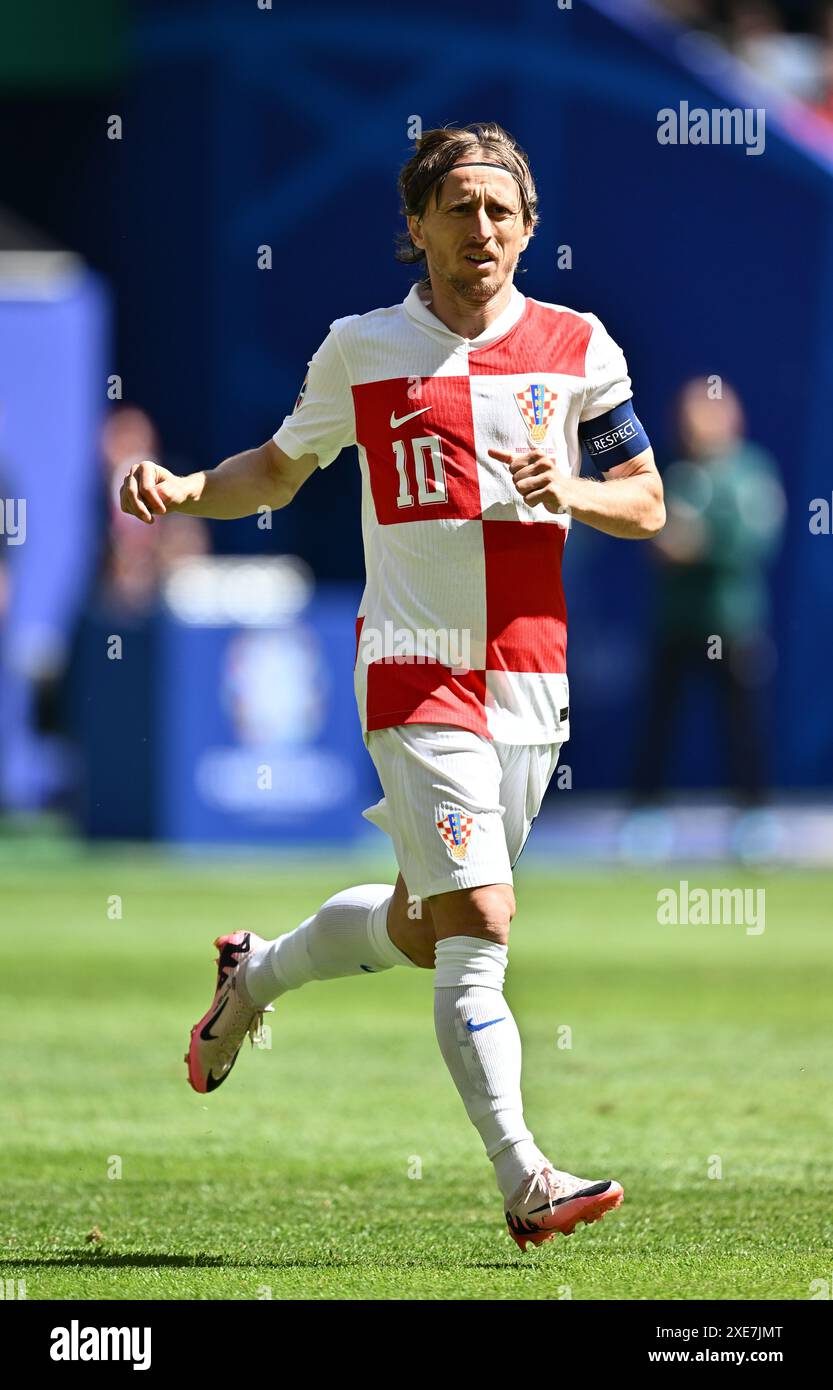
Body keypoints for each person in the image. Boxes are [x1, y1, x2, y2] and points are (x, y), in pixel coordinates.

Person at [120, 122, 664, 1251]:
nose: (481, 229)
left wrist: (561, 484)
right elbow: (274, 470)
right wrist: (182, 489)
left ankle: (253, 978)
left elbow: (647, 502)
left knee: (425, 925)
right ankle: (526, 1180)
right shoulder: (362, 348)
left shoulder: (578, 346)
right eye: (456, 208)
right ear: (414, 228)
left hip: (528, 675)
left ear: (528, 228)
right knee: (480, 926)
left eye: (500, 210)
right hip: (413, 673)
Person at [634, 378, 784, 805]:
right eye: (689, 414)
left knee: (744, 727)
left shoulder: (750, 471)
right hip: (677, 620)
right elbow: (649, 526)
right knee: (660, 722)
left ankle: (754, 819)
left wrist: (700, 544)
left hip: (732, 622)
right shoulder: (672, 469)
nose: (695, 423)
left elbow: (757, 538)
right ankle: (645, 816)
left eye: (706, 412)